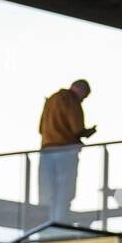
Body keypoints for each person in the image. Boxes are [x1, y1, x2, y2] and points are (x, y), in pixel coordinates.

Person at [38, 79, 96, 219]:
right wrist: (88, 132)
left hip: (46, 151)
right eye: (84, 96)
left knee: (48, 193)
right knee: (64, 191)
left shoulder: (51, 100)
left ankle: (47, 225)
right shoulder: (71, 100)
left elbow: (40, 129)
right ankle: (60, 224)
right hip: (66, 151)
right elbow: (77, 129)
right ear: (81, 91)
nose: (83, 100)